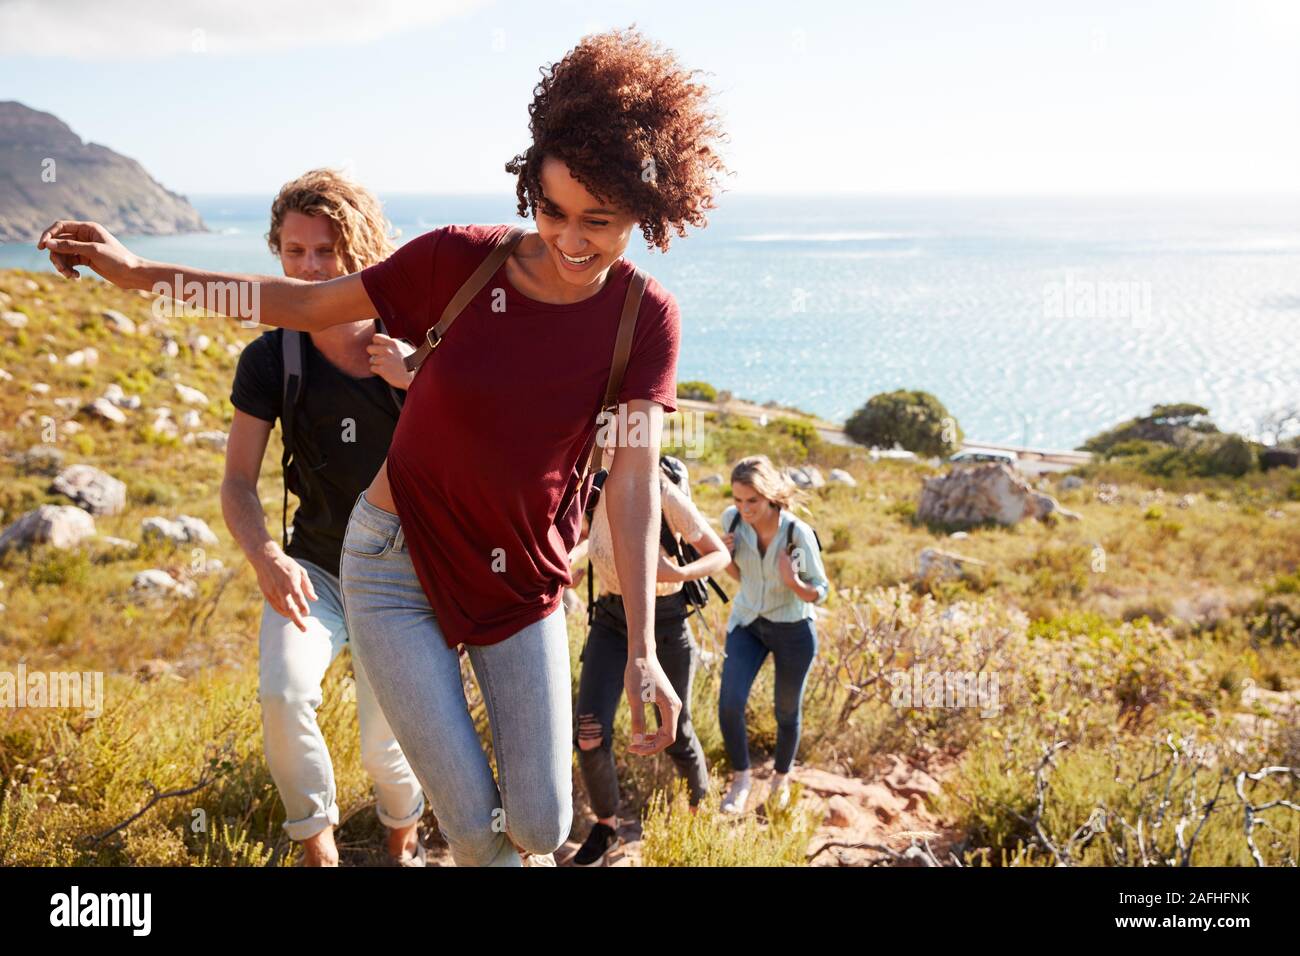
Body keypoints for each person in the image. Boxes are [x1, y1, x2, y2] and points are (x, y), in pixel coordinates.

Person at [38, 27, 728, 867]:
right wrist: (139, 272)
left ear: (644, 215)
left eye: (600, 220)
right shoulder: (457, 264)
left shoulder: (641, 316)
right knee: (475, 829)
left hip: (522, 578)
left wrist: (646, 654)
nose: (571, 241)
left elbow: (630, 476)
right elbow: (299, 301)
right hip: (392, 563)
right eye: (551, 210)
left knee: (543, 827)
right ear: (528, 190)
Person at [221, 169, 425, 866]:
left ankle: (403, 840)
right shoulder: (271, 358)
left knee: (385, 742)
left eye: (325, 252)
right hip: (313, 568)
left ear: (361, 249)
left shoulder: (415, 343)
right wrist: (267, 558)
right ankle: (320, 849)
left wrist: (419, 377)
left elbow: (487, 441)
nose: (308, 269)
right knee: (282, 691)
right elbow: (237, 483)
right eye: (293, 252)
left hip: (405, 577)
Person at [569, 451, 729, 866]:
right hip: (609, 620)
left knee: (676, 730)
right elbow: (594, 542)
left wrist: (675, 574)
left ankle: (698, 817)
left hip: (667, 621)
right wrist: (573, 568)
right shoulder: (594, 487)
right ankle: (606, 827)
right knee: (588, 732)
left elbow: (718, 555)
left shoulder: (661, 489)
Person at [717, 455, 830, 814]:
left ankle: (780, 780)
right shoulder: (731, 521)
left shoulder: (798, 534)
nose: (744, 508)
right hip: (748, 622)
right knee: (730, 703)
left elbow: (821, 590)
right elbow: (739, 577)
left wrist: (793, 582)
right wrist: (728, 557)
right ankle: (741, 780)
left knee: (786, 710)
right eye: (738, 499)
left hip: (793, 629)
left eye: (752, 500)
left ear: (769, 496)